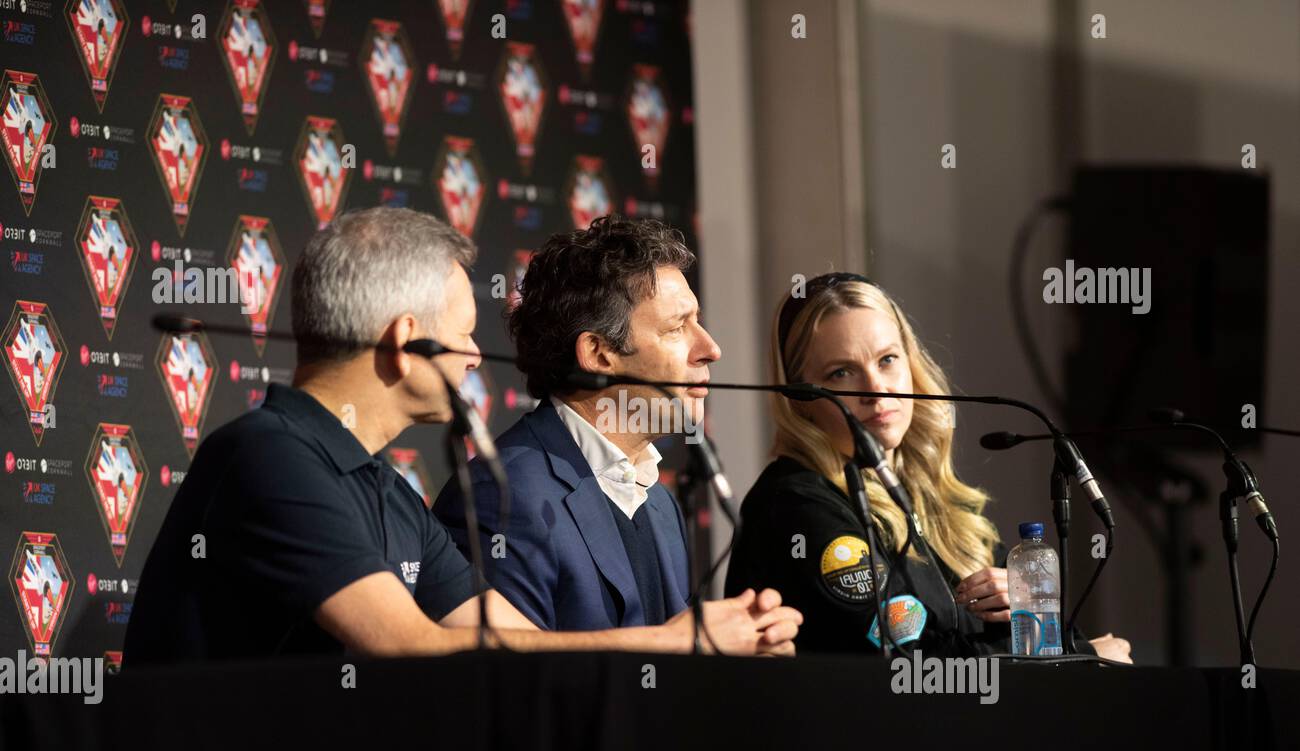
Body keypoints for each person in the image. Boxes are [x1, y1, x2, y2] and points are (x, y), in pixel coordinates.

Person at [123, 208, 800, 664]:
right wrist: (676, 643)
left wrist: (711, 639)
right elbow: (406, 645)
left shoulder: (387, 490)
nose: (478, 357)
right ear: (404, 343)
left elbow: (500, 642)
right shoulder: (267, 454)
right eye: (463, 334)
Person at [725, 272, 1132, 662]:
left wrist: (1033, 612)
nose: (877, 389)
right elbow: (911, 666)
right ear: (800, 399)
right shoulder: (796, 505)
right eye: (841, 372)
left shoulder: (924, 493)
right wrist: (1079, 654)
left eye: (887, 360)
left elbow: (1040, 632)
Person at [434, 216, 717, 634]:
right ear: (599, 354)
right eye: (678, 327)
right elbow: (519, 682)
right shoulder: (503, 496)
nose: (710, 349)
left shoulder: (659, 502)